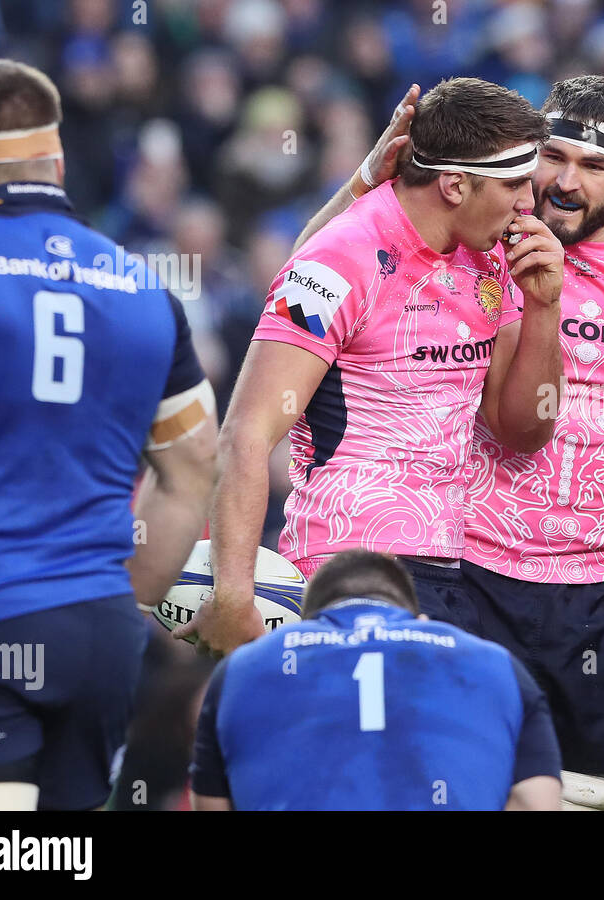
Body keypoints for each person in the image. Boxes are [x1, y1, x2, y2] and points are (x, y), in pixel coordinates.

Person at [302, 75, 604, 807]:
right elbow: (310, 282)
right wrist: (368, 176)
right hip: (470, 567)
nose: (563, 183)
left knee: (601, 797)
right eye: (551, 158)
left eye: (593, 167)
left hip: (601, 588)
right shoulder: (479, 231)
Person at [184, 77, 565, 656]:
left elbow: (523, 431)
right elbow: (245, 432)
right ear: (455, 185)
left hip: (447, 565)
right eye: (513, 184)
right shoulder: (336, 259)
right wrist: (233, 596)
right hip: (346, 564)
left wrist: (543, 308)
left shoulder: (491, 257)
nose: (527, 203)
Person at [0, 59, 215, 811]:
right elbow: (195, 468)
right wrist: (122, 605)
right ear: (58, 162)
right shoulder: (146, 288)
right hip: (99, 633)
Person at [189, 550, 562, 810]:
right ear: (419, 619)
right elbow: (536, 801)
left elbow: (211, 804)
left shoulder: (242, 669)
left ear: (312, 619)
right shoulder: (496, 665)